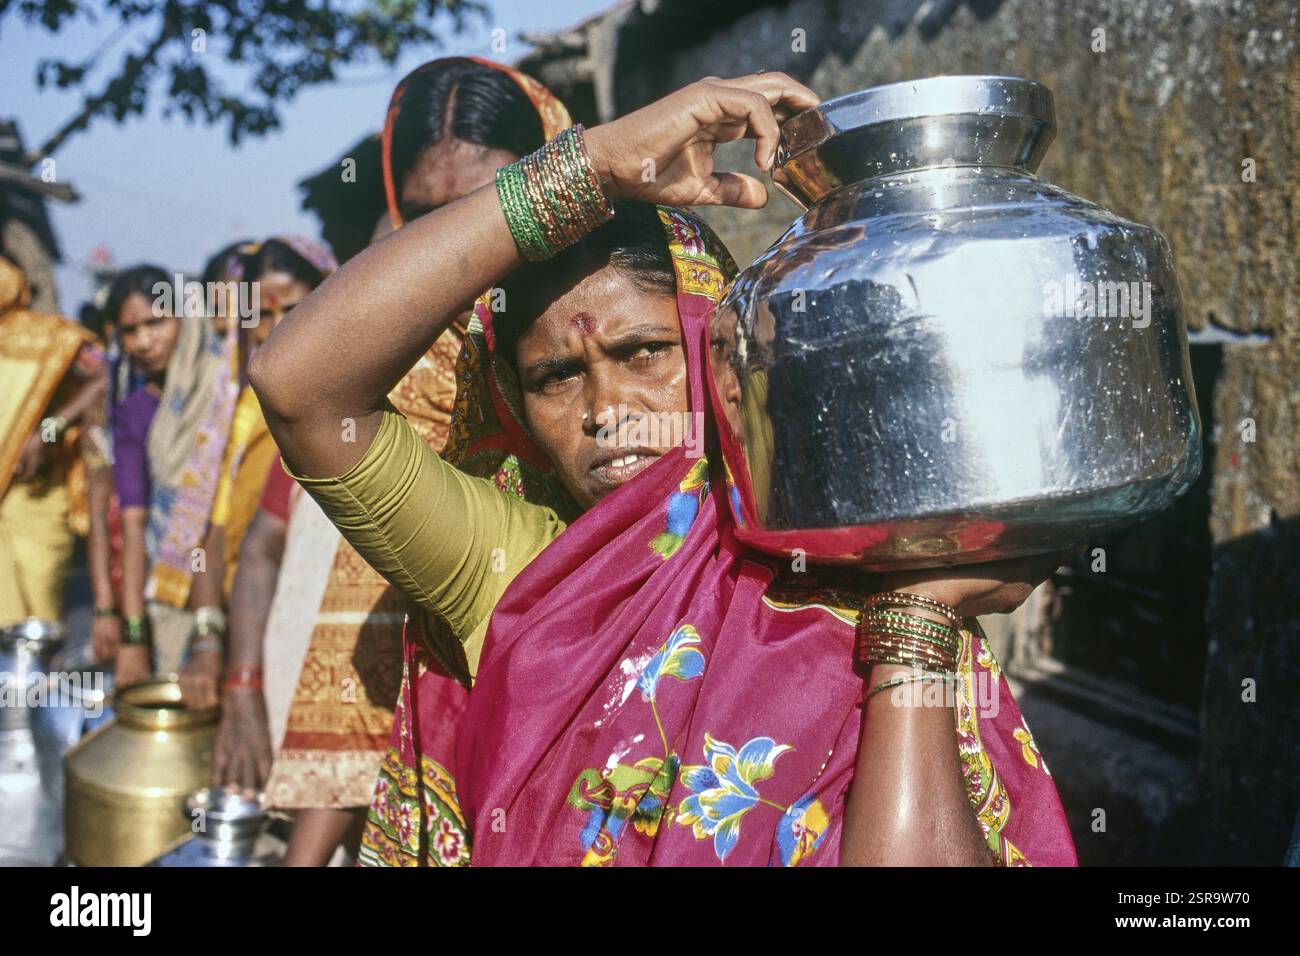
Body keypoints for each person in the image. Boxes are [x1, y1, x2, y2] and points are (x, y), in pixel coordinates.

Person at [252, 72, 1078, 866]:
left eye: (644, 352)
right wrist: (597, 163)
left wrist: (914, 616)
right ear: (514, 399)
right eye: (556, 377)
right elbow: (299, 387)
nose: (605, 407)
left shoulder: (851, 546)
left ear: (718, 349)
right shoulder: (511, 564)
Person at [215, 57, 558, 867]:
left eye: (484, 210)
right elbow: (358, 618)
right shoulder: (402, 362)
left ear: (549, 186)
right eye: (429, 221)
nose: (461, 254)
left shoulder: (611, 323)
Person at [179, 237, 336, 710]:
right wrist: (209, 638)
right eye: (259, 316)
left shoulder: (352, 404)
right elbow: (214, 527)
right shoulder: (240, 409)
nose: (273, 329)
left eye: (289, 309)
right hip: (242, 628)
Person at [106, 264, 224, 687]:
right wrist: (133, 636)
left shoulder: (226, 388)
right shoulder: (133, 413)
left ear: (184, 317)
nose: (143, 341)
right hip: (173, 594)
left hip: (237, 579)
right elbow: (134, 523)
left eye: (156, 322)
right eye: (129, 330)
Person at [0, 255, 106, 629]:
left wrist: (48, 430)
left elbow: (106, 373)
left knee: (39, 615)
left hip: (36, 490)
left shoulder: (53, 337)